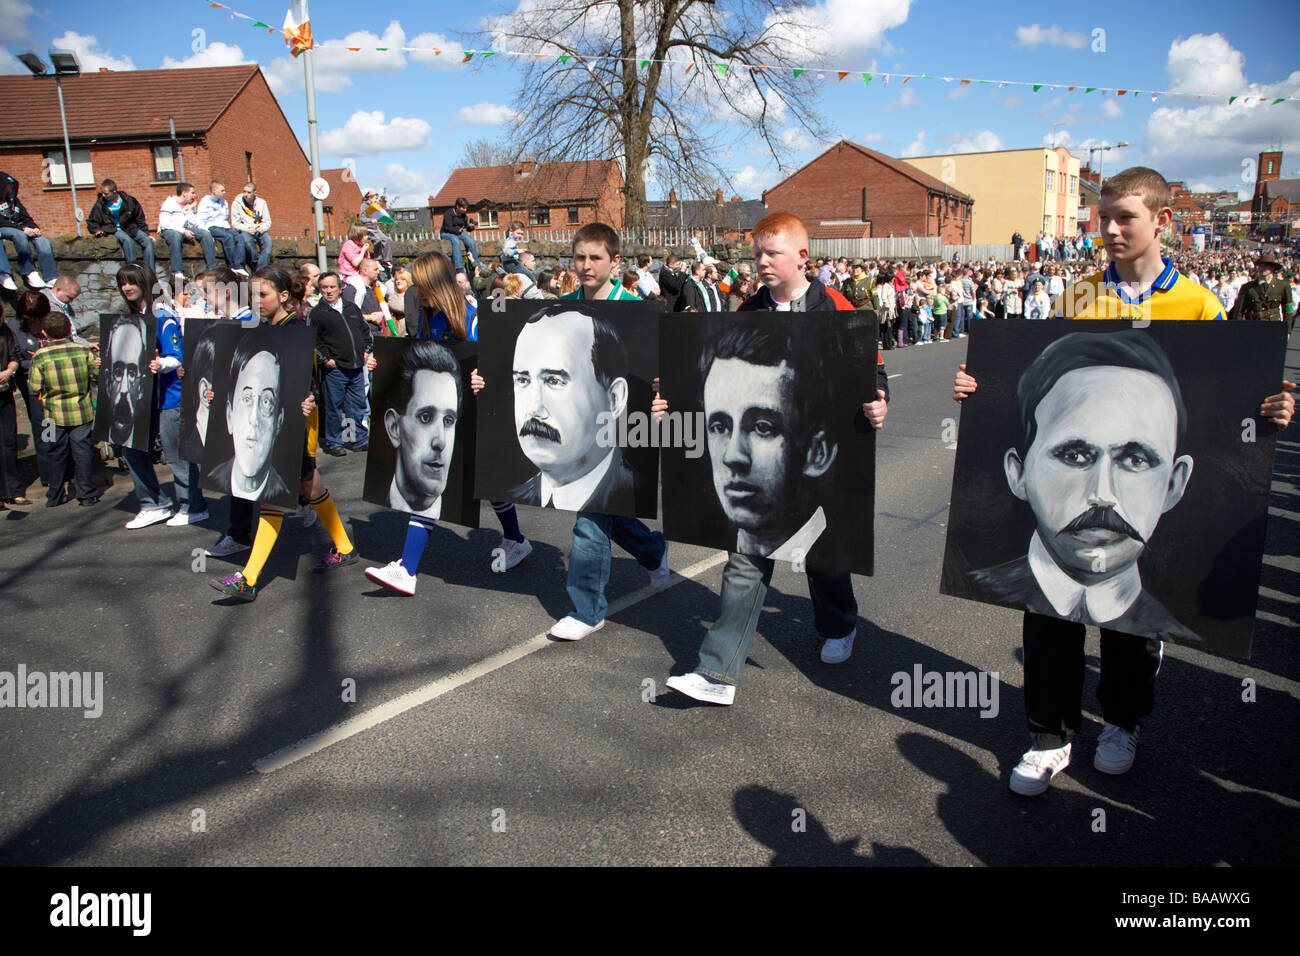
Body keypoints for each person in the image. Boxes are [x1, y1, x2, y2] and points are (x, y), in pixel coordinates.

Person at [953, 165, 1296, 796]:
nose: (1108, 229)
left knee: (1131, 622)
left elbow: (1224, 404)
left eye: (1124, 218)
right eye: (1102, 217)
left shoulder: (1199, 305)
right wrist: (982, 390)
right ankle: (1048, 736)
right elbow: (1031, 383)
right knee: (1049, 611)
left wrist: (1269, 409)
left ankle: (1121, 722)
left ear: (1163, 222)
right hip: (1069, 490)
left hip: (1143, 493)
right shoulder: (1077, 297)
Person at [663, 211, 889, 706]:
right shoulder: (747, 312)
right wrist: (670, 401)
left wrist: (878, 399)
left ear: (802, 256)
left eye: (772, 253)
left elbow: (872, 371)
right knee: (745, 558)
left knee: (823, 558)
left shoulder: (836, 307)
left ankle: (839, 624)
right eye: (757, 253)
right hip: (763, 467)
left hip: (813, 462)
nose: (761, 263)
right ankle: (716, 673)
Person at [473, 222, 667, 640]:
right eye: (579, 257)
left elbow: (659, 370)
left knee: (592, 518)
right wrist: (482, 379)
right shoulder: (565, 306)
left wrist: (660, 388)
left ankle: (586, 609)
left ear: (615, 262)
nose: (585, 265)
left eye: (595, 258)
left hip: (621, 432)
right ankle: (653, 551)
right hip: (578, 437)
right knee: (605, 513)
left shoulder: (635, 307)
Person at [366, 251, 532, 595]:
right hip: (452, 420)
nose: (417, 293)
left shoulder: (474, 318)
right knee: (447, 487)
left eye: (422, 286)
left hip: (480, 414)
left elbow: (506, 364)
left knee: (488, 486)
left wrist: (483, 376)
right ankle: (409, 568)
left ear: (439, 286)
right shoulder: (429, 319)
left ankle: (513, 540)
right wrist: (379, 365)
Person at [210, 268, 364, 602]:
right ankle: (345, 545)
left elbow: (309, 376)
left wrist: (310, 397)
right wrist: (218, 393)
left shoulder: (297, 330)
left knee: (287, 489)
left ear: (282, 296)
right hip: (266, 422)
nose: (256, 302)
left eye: (262, 295)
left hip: (297, 422)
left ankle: (249, 578)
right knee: (303, 486)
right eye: (252, 295)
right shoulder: (253, 331)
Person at [505, 302, 646, 513]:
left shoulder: (636, 494)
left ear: (615, 398)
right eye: (523, 380)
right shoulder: (515, 496)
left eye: (554, 381)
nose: (534, 408)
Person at [28, 308, 98, 507]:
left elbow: (34, 388)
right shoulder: (83, 351)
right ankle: (86, 493)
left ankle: (55, 494)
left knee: (53, 451)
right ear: (69, 329)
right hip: (81, 411)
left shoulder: (40, 356)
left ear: (44, 333)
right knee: (83, 452)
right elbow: (95, 376)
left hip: (50, 415)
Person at [310, 270, 373, 456]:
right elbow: (314, 341)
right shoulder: (317, 314)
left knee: (357, 405)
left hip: (356, 366)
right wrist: (326, 360)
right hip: (335, 368)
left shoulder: (352, 308)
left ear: (340, 288)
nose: (328, 291)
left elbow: (364, 331)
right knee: (333, 408)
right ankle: (334, 442)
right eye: (324, 288)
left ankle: (358, 439)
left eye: (332, 287)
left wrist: (366, 350)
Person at [0, 170, 55, 290]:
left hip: (21, 227)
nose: (10, 188)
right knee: (19, 235)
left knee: (42, 240)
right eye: (7, 185)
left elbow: (26, 217)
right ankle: (29, 272)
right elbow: (2, 221)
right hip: (6, 228)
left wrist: (34, 228)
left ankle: (50, 276)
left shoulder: (14, 200)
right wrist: (23, 228)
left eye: (11, 185)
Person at [86, 179, 156, 273]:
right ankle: (132, 271)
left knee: (147, 241)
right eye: (102, 193)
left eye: (106, 193)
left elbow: (139, 218)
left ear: (114, 191)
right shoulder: (100, 204)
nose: (103, 195)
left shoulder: (129, 201)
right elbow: (92, 221)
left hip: (129, 227)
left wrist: (146, 233)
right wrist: (96, 230)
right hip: (113, 229)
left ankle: (150, 272)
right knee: (127, 240)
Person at [158, 182, 218, 280]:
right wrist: (183, 231)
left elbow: (196, 222)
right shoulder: (169, 204)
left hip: (185, 228)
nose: (194, 195)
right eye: (192, 193)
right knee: (175, 236)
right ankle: (177, 271)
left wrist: (209, 234)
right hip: (169, 229)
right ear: (184, 193)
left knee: (205, 234)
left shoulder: (188, 206)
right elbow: (164, 223)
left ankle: (212, 269)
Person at [0, 309, 27, 506]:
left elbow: (14, 356)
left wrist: (10, 370)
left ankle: (13, 490)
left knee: (8, 442)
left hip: (3, 391)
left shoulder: (5, 332)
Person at [195, 181, 249, 274]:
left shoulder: (224, 202)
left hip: (224, 226)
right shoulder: (205, 202)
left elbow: (225, 217)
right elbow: (200, 219)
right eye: (222, 190)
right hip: (212, 226)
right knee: (228, 238)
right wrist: (207, 233)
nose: (224, 192)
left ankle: (239, 265)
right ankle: (233, 266)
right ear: (214, 190)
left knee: (239, 237)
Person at [231, 183, 273, 271]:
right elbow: (235, 223)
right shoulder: (237, 203)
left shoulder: (262, 203)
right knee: (248, 243)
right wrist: (247, 229)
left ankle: (259, 270)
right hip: (246, 230)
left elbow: (268, 221)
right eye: (244, 192)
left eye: (249, 192)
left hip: (260, 229)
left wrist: (262, 228)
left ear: (255, 193)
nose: (246, 194)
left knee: (268, 243)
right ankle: (256, 266)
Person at [439, 198, 478, 272]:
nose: (465, 210)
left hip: (458, 233)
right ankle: (459, 267)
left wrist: (471, 227)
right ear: (457, 206)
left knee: (470, 240)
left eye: (466, 208)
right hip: (446, 233)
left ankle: (475, 264)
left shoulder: (464, 215)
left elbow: (466, 227)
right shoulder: (449, 213)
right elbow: (447, 227)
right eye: (463, 208)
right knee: (455, 240)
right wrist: (457, 230)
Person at [359, 189, 393, 268]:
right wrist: (371, 220)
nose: (376, 200)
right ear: (370, 198)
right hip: (368, 229)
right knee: (377, 240)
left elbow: (378, 217)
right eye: (375, 198)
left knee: (386, 239)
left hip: (375, 229)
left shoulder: (376, 205)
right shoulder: (364, 206)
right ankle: (378, 259)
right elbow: (362, 218)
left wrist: (378, 226)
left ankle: (386, 260)